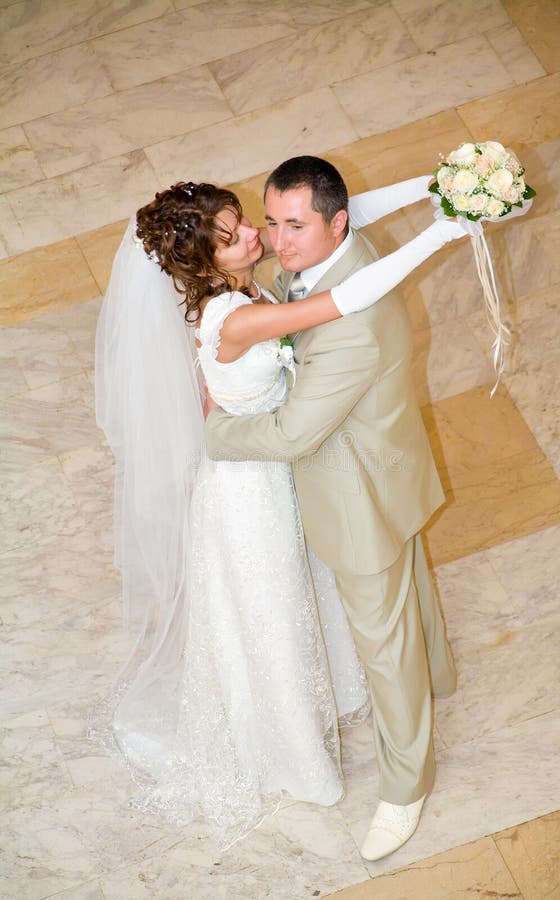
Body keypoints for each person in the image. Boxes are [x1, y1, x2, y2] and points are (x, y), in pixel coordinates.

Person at [95, 173, 470, 850]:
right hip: (248, 481)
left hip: (292, 466)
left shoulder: (238, 278)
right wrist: (446, 230)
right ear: (209, 258)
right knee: (269, 613)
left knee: (338, 594)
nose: (260, 237)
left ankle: (425, 685)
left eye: (249, 222)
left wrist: (440, 184)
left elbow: (329, 216)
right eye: (237, 235)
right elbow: (346, 296)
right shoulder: (238, 316)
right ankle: (293, 745)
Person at [204, 156, 460, 860]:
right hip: (389, 462)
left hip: (355, 496)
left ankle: (407, 786)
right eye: (270, 221)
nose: (277, 244)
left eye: (295, 227)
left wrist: (215, 432)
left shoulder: (350, 325)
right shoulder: (344, 250)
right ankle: (440, 673)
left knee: (383, 644)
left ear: (335, 222)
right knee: (408, 582)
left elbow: (292, 435)